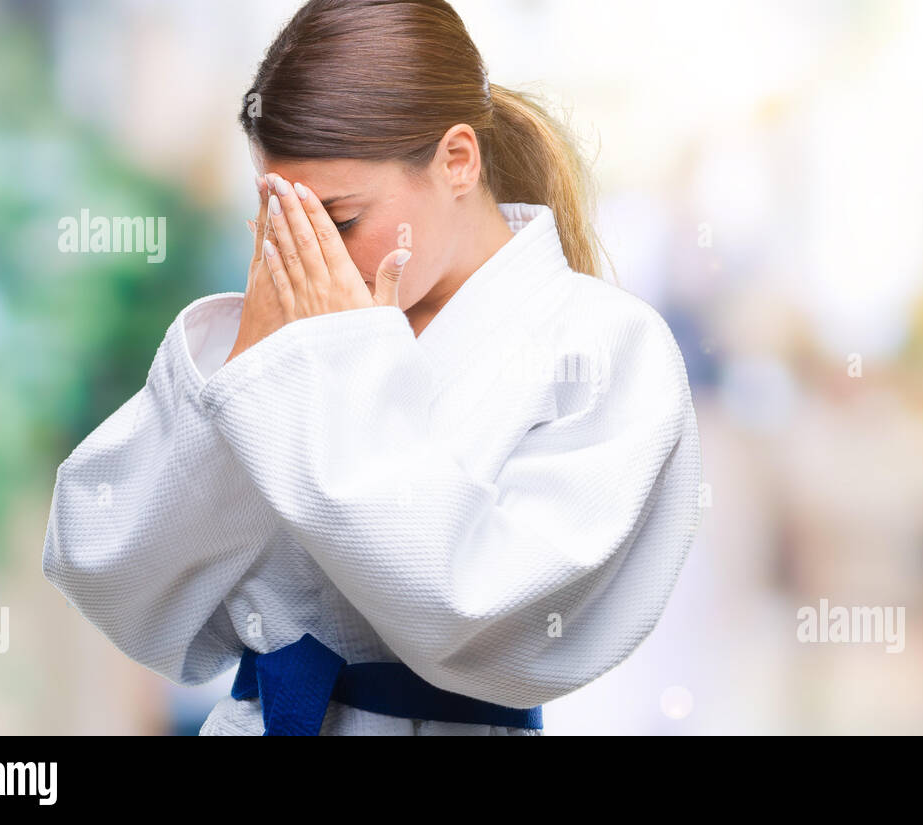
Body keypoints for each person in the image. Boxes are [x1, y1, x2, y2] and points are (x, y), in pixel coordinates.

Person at [41, 0, 702, 735]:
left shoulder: (605, 347)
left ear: (457, 160)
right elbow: (106, 571)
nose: (311, 252)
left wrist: (351, 369)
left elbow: (476, 613)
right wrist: (246, 369)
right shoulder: (272, 336)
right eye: (285, 218)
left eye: (341, 219)